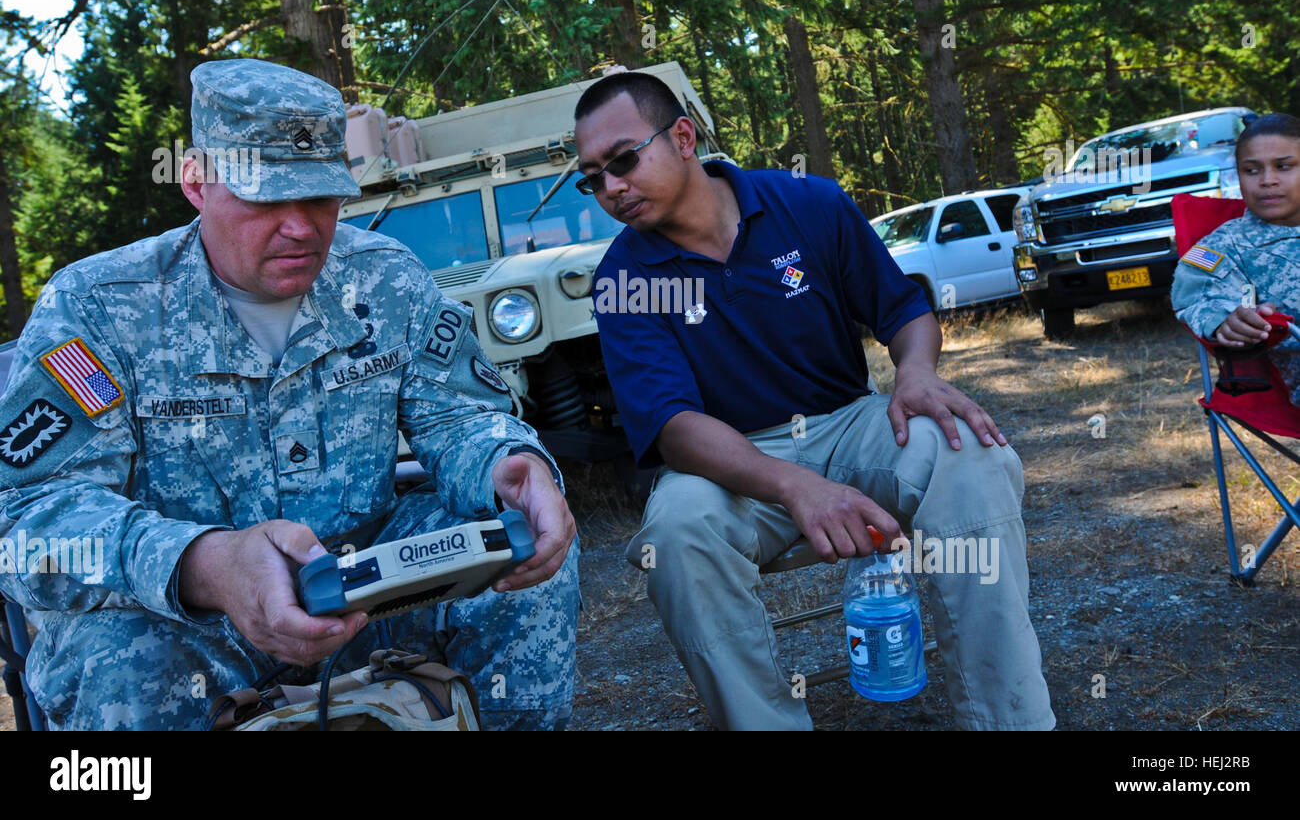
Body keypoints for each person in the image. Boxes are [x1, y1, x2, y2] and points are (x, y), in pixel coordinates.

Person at [0, 58, 578, 730]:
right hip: (194, 625)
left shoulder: (384, 277)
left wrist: (510, 461)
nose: (302, 227)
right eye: (268, 198)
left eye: (320, 197)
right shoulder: (100, 308)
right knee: (118, 657)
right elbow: (29, 523)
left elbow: (461, 415)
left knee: (523, 561)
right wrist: (205, 562)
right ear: (196, 180)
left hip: (369, 593)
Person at [574, 70, 1054, 730]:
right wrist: (795, 484)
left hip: (851, 422)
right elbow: (675, 428)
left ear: (683, 135)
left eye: (623, 160)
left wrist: (915, 370)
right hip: (730, 461)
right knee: (677, 533)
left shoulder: (809, 204)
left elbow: (904, 308)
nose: (612, 188)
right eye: (593, 177)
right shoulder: (624, 279)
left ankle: (1009, 719)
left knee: (968, 453)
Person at [1172, 112, 1300, 406]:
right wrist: (1225, 320)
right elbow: (1195, 295)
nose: (1268, 180)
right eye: (1251, 170)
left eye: (1283, 166)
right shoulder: (1227, 247)